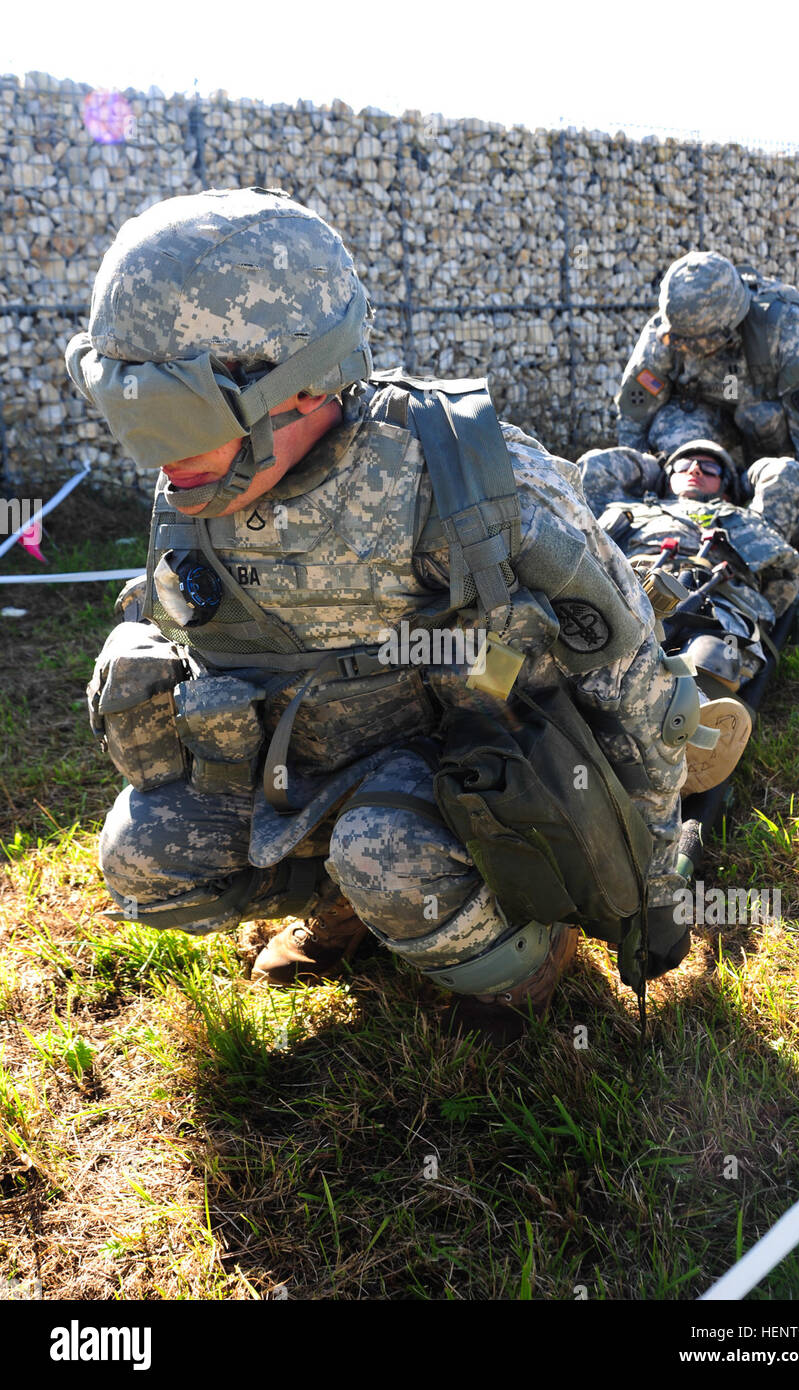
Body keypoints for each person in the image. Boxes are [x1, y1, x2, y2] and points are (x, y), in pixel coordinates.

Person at [67, 188, 717, 1046]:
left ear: (299, 386)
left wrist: (656, 874)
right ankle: (352, 906)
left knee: (384, 846)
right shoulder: (195, 490)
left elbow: (636, 686)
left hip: (462, 764)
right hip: (299, 767)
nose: (159, 459)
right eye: (128, 414)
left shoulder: (464, 477)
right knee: (147, 860)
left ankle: (522, 954)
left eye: (176, 418)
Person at [579, 439, 799, 792]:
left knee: (715, 657)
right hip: (628, 591)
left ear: (728, 486)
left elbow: (784, 474)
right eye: (683, 466)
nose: (695, 469)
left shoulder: (745, 519)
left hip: (713, 609)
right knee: (598, 639)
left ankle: (693, 727)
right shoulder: (629, 509)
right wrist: (654, 467)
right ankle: (667, 733)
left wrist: (749, 610)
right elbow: (596, 464)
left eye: (709, 467)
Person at [615, 252, 799, 566]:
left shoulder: (785, 328)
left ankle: (763, 536)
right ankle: (680, 516)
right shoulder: (667, 333)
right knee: (672, 424)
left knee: (763, 426)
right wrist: (636, 489)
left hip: (770, 443)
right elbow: (635, 416)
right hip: (706, 446)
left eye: (701, 341)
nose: (690, 348)